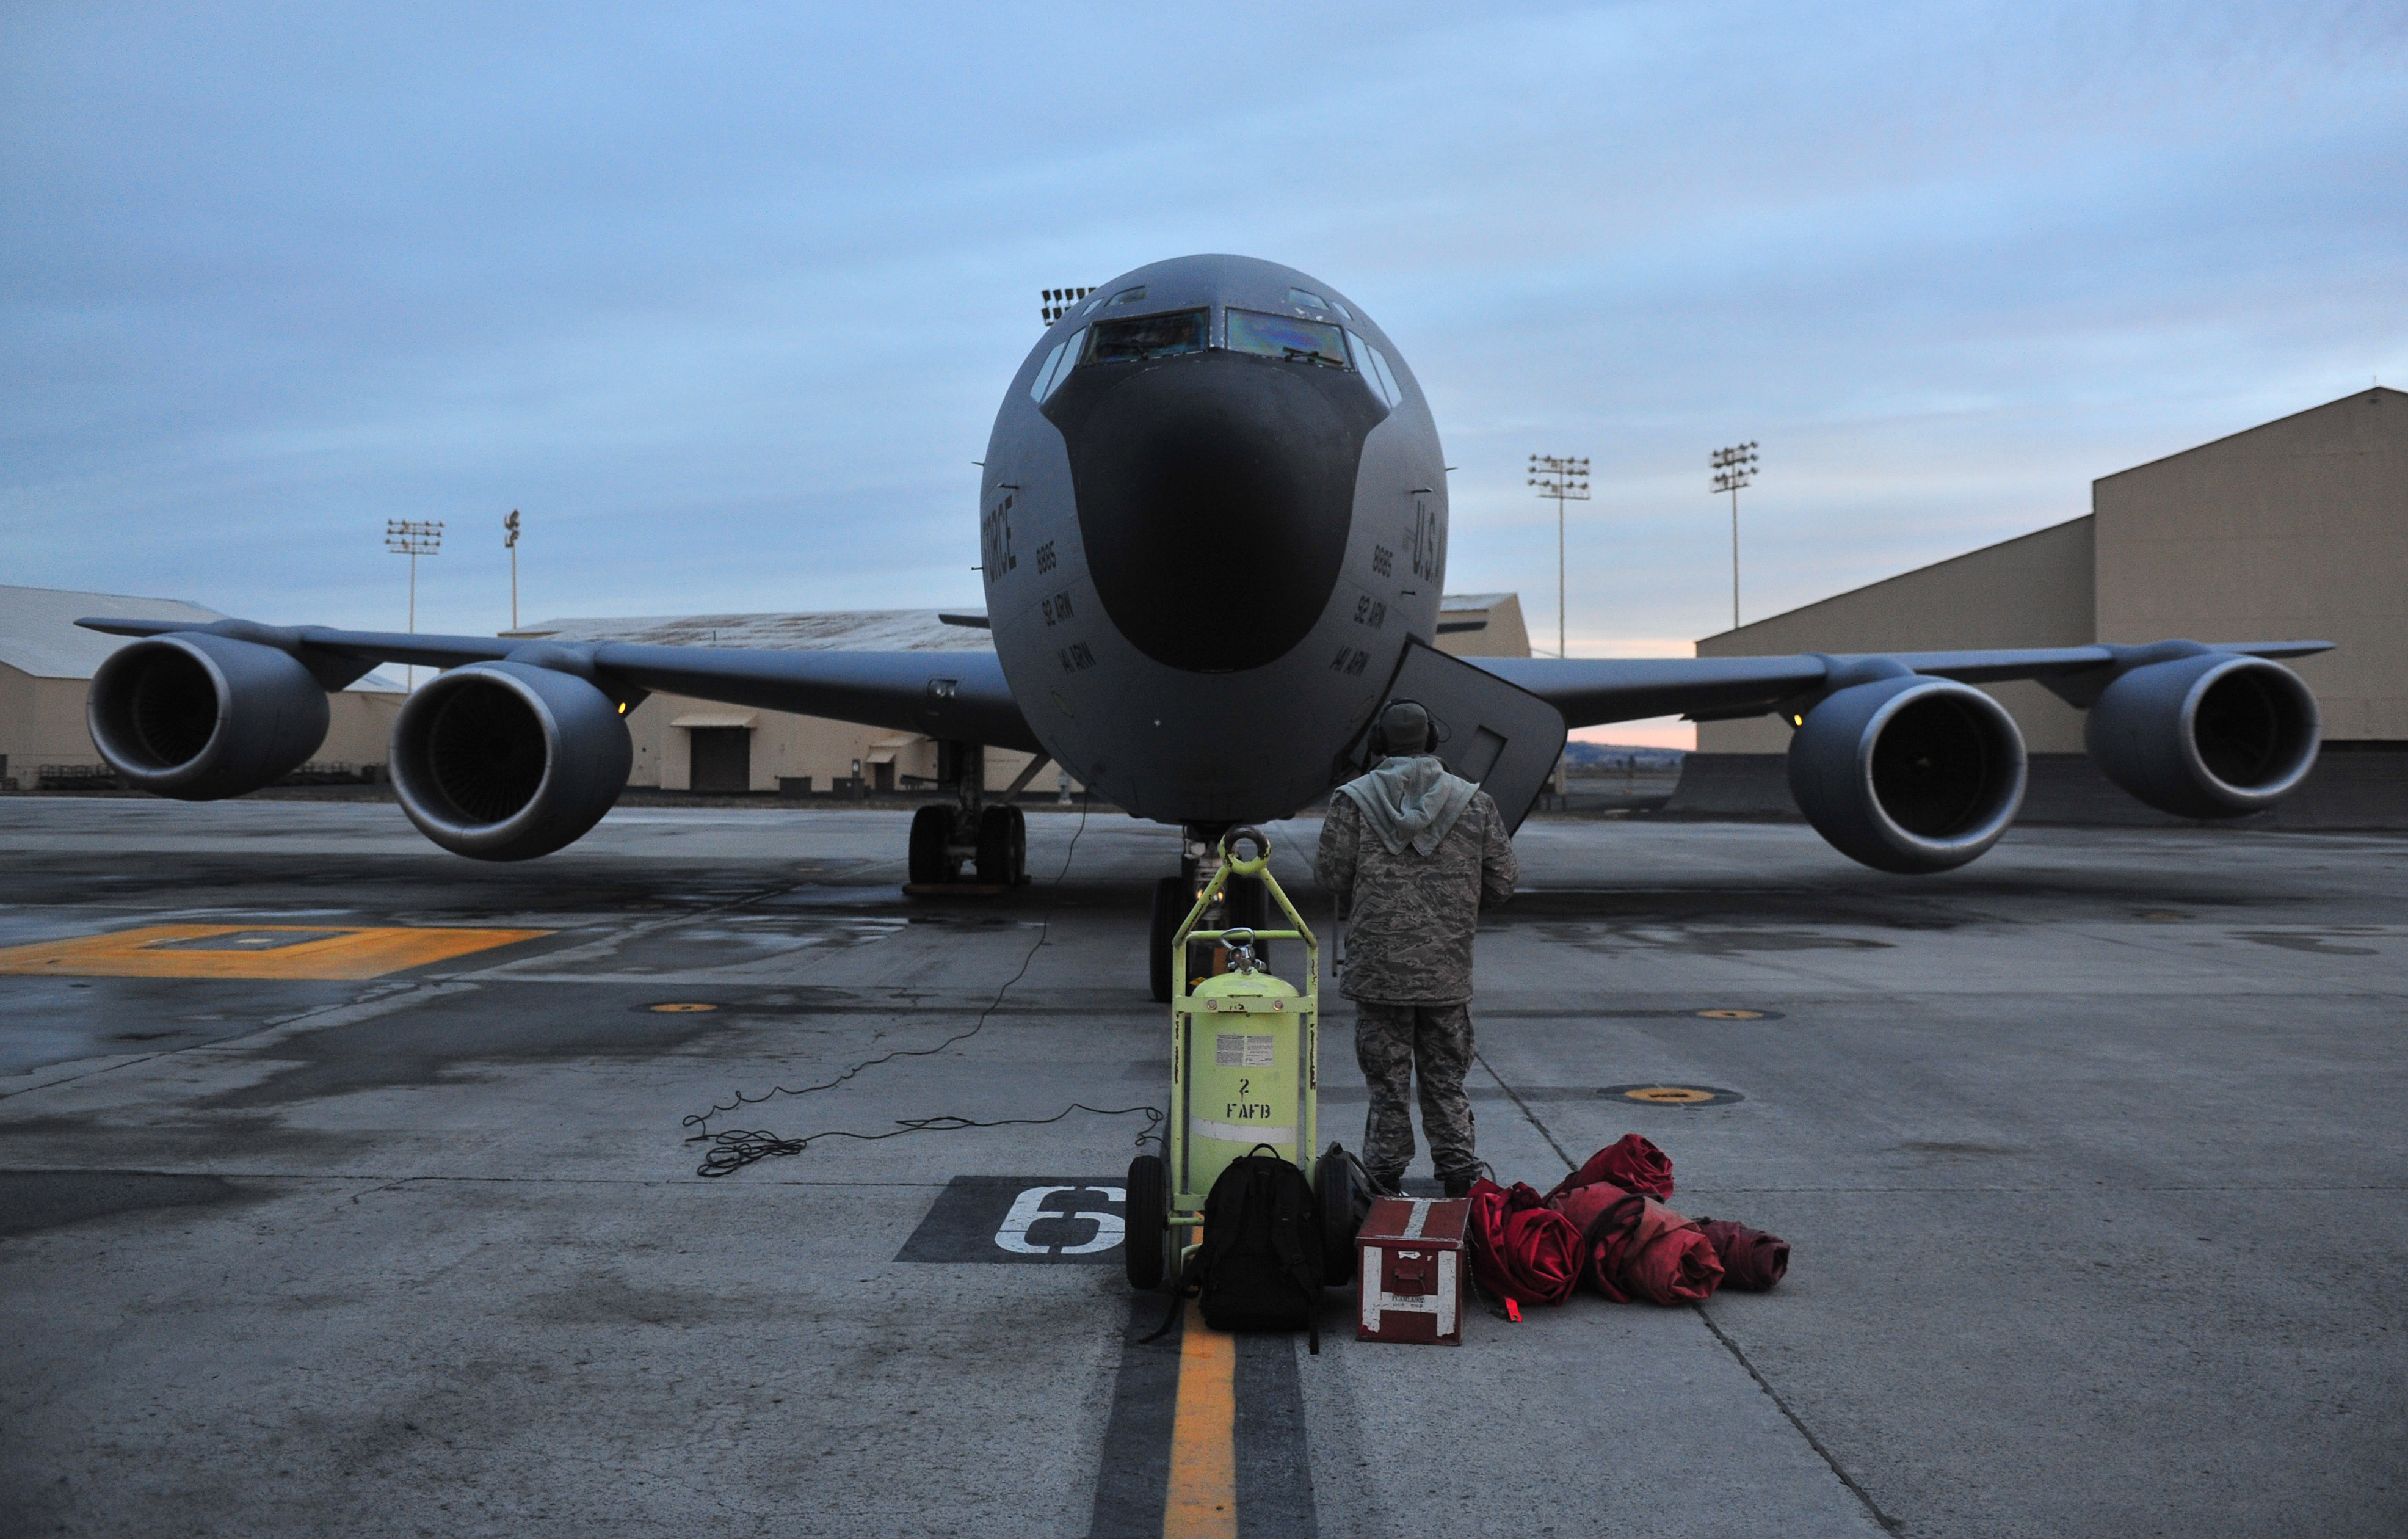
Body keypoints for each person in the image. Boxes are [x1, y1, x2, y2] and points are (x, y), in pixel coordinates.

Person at [1315, 700, 1519, 1198]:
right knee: (1446, 1079)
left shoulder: (1353, 801)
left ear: (1380, 743)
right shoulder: (1475, 802)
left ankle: (1384, 1177)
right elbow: (1503, 883)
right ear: (1431, 740)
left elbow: (1330, 875)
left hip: (1379, 973)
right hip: (1444, 974)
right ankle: (1458, 1173)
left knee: (1387, 1085)